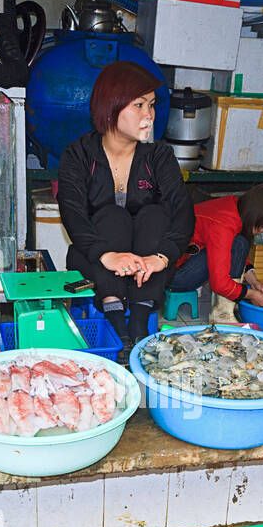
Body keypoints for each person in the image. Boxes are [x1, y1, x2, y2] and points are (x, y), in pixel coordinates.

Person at [57, 61, 195, 357]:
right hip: (96, 260)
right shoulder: (78, 154)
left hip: (148, 262)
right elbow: (73, 214)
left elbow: (182, 210)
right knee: (111, 216)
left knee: (156, 215)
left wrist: (162, 257)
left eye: (152, 105)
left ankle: (140, 322)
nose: (149, 115)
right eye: (139, 105)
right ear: (112, 106)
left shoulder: (159, 155)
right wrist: (108, 256)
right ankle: (116, 320)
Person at [169, 184, 263, 325]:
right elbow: (219, 283)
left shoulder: (235, 206)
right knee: (239, 244)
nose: (262, 230)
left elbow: (237, 256)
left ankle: (227, 304)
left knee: (239, 244)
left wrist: (255, 283)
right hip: (172, 277)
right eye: (262, 225)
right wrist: (251, 295)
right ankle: (221, 314)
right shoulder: (223, 225)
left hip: (179, 264)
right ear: (254, 214)